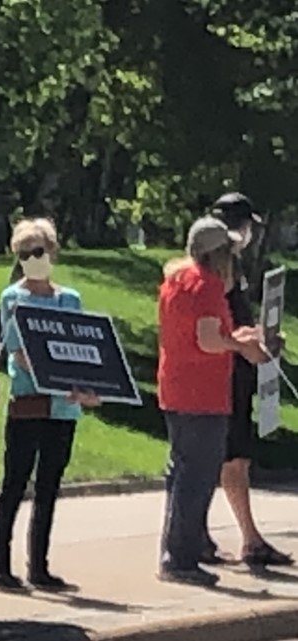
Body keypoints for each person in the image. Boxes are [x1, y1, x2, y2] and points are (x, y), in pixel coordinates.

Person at [0, 218, 99, 593]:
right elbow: (18, 351)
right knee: (15, 483)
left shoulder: (70, 299)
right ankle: (0, 567)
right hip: (29, 401)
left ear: (52, 252)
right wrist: (52, 373)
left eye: (38, 251)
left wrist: (86, 386)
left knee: (49, 486)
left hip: (64, 406)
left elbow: (81, 348)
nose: (32, 260)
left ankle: (39, 566)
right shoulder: (13, 298)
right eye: (24, 254)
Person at [157, 216, 268, 587]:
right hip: (201, 394)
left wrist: (235, 336)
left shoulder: (177, 280)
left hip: (175, 389)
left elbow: (202, 332)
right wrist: (241, 345)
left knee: (181, 472)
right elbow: (208, 341)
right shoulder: (207, 286)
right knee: (197, 477)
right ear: (218, 254)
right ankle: (180, 560)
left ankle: (175, 553)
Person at [201, 193, 293, 567]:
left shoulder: (232, 268)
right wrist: (245, 342)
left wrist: (259, 336)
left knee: (232, 458)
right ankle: (232, 538)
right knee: (222, 458)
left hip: (237, 372)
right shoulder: (215, 269)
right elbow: (215, 328)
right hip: (221, 375)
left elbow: (233, 323)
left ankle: (239, 537)